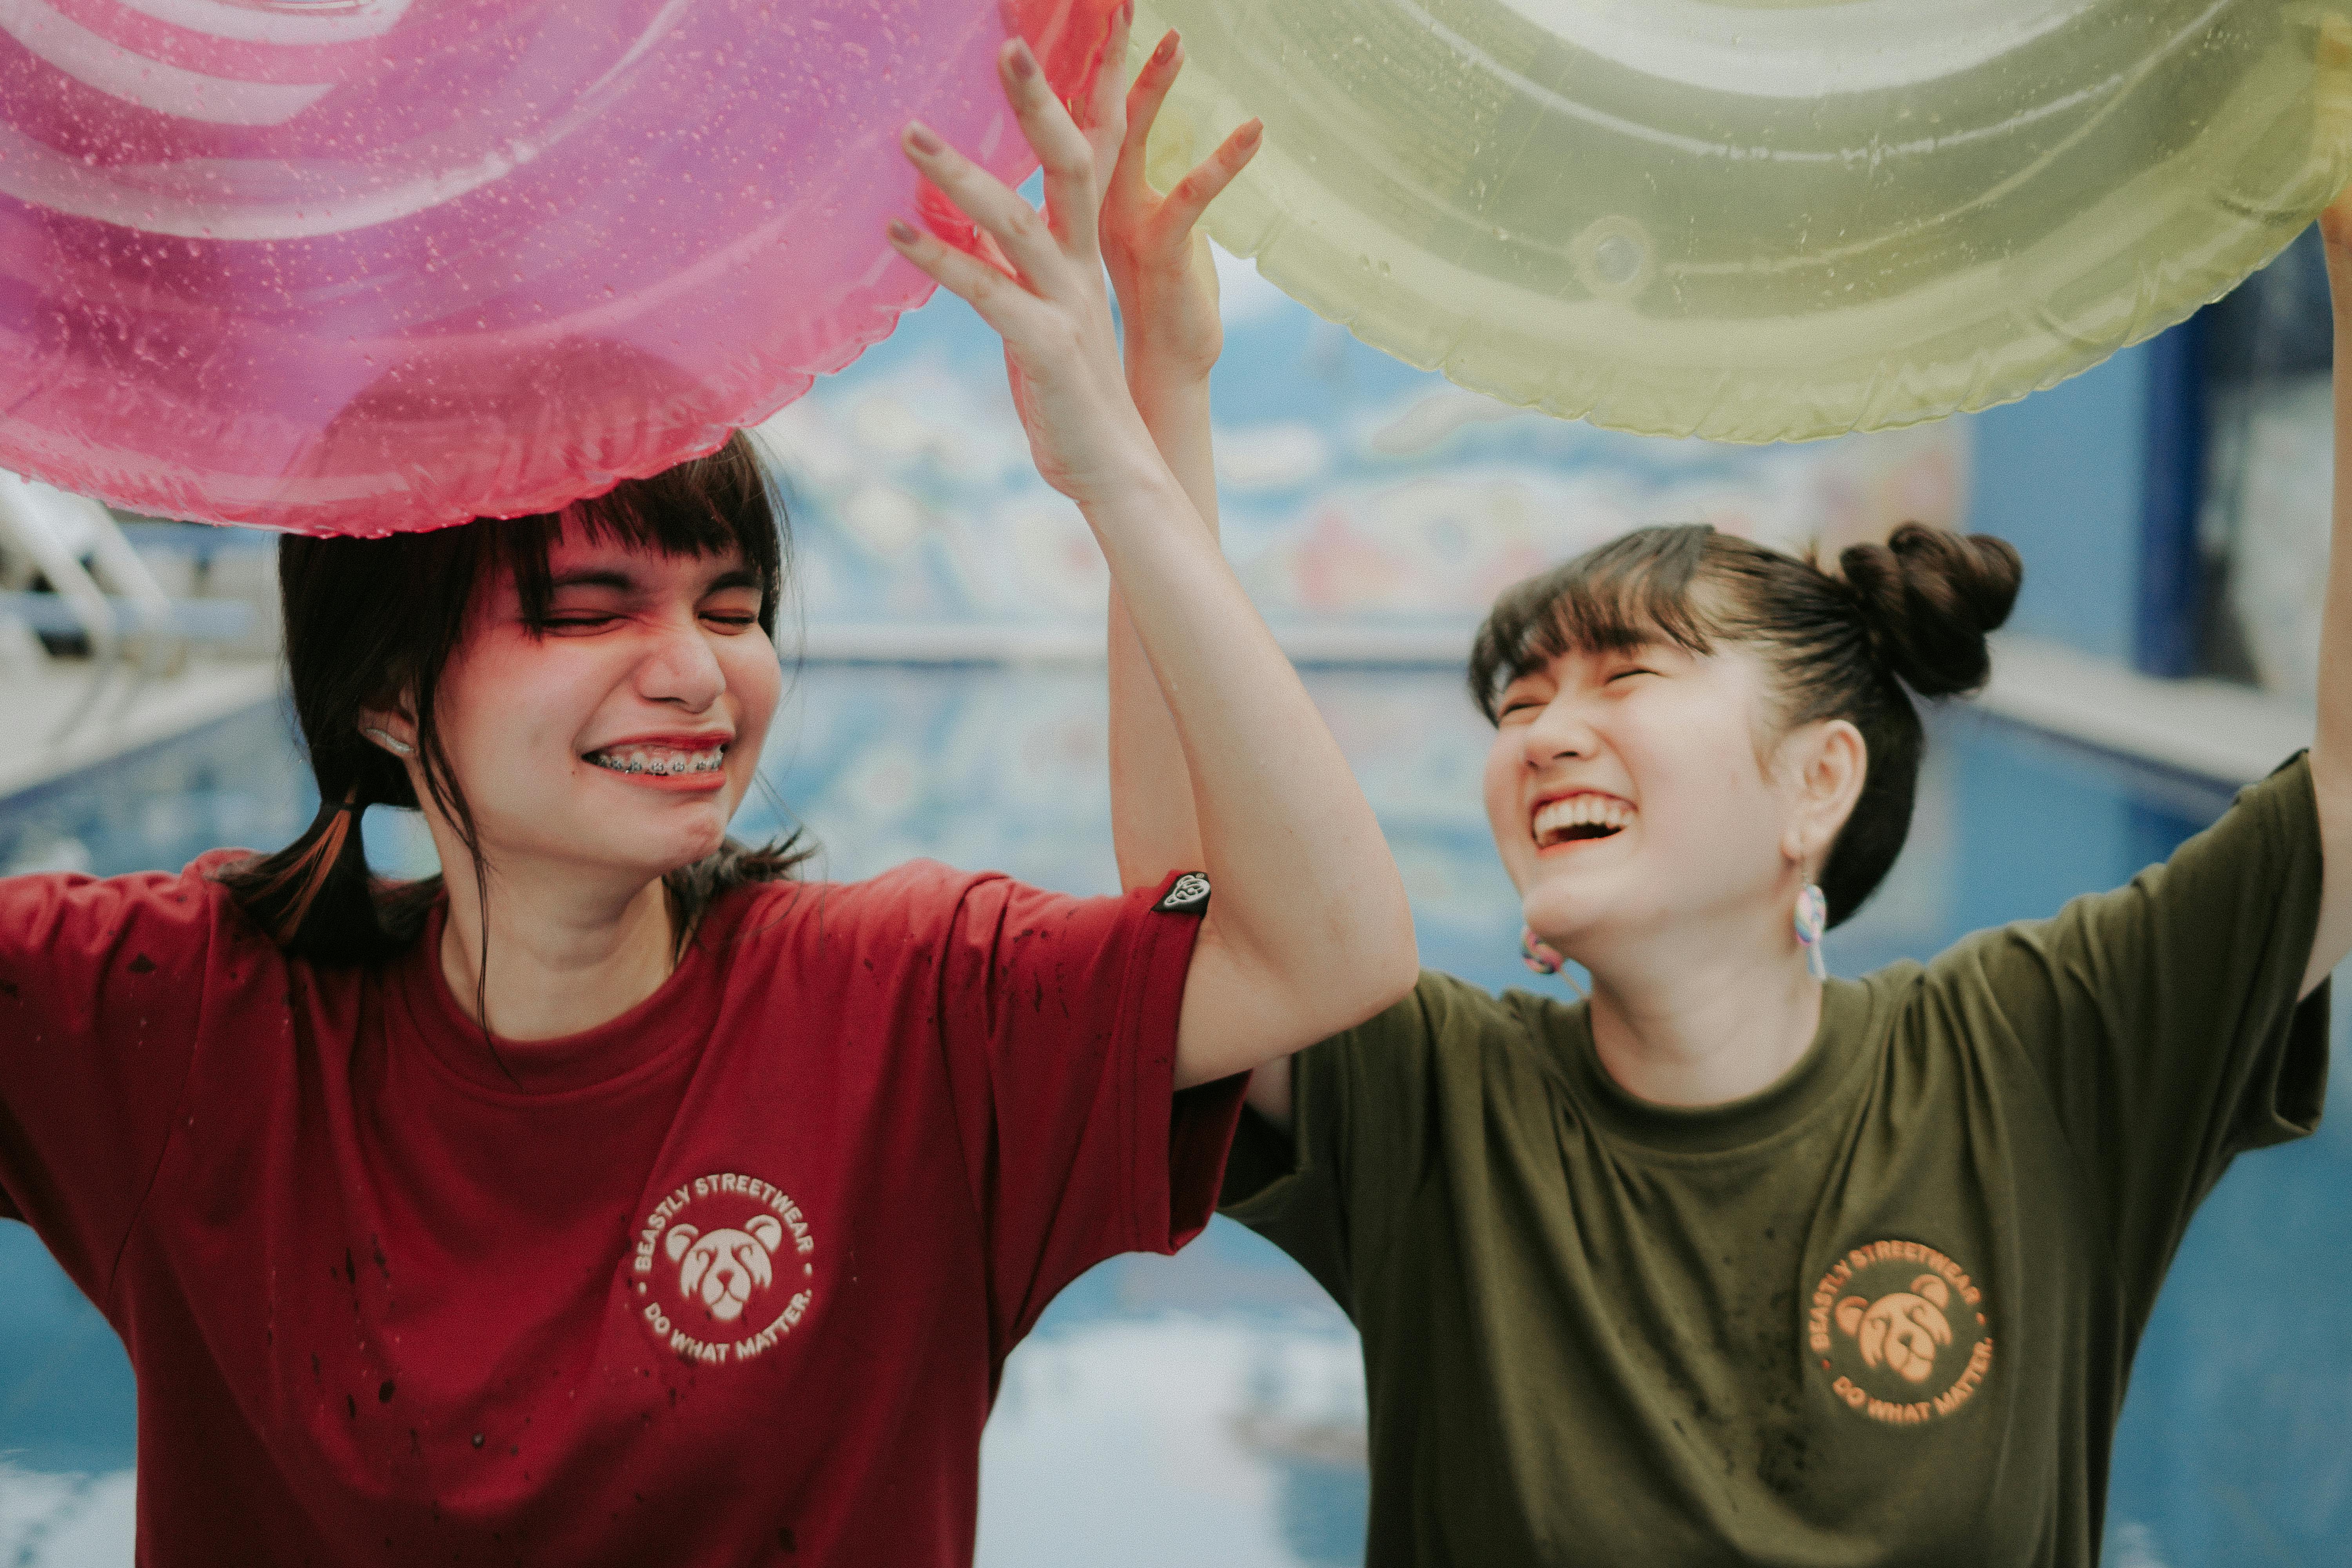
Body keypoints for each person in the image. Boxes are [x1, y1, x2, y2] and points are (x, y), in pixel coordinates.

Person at [0, 19, 1417, 1566]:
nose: (697, 671)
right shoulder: (186, 1023)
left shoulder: (902, 1015)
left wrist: (1129, 456)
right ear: (392, 696)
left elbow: (1322, 950)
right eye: (592, 610)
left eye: (733, 608)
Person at [1105, 171, 2352, 1568]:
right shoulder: (1436, 1110)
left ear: (1817, 781)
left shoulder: (2041, 1057)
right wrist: (1160, 380)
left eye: (1625, 675)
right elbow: (1185, 909)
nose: (1545, 737)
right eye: (1518, 708)